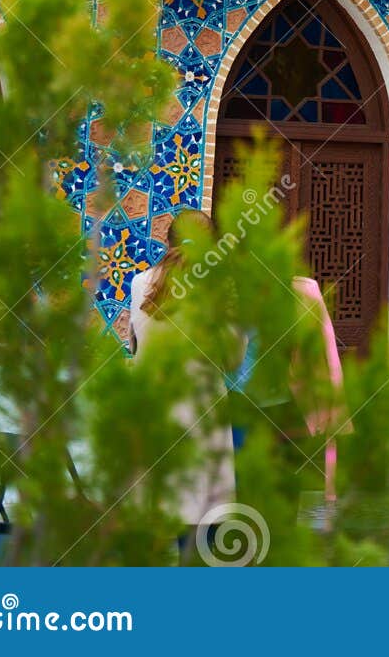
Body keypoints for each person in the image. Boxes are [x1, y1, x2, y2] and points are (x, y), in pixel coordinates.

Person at [128, 210, 237, 563]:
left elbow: (135, 345)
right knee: (201, 521)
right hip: (201, 410)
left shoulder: (139, 284)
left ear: (167, 241)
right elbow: (233, 358)